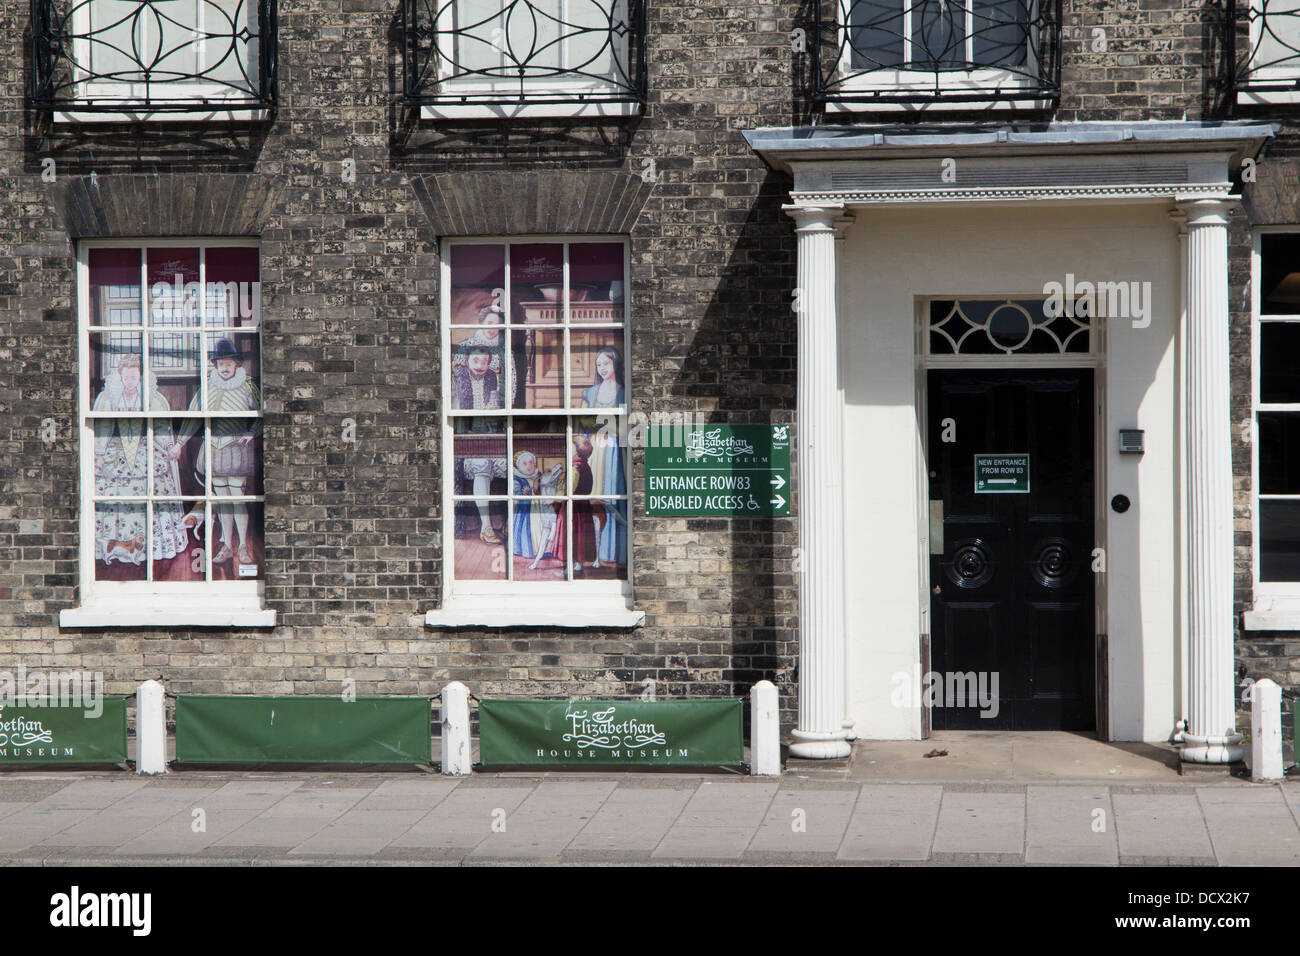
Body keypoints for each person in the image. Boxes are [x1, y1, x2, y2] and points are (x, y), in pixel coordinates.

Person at [92, 354, 189, 569]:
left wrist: (170, 447)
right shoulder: (109, 398)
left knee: (153, 487)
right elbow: (102, 428)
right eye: (126, 377)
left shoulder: (153, 399)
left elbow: (162, 428)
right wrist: (99, 453)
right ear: (120, 377)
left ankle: (153, 546)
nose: (130, 381)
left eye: (134, 377)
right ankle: (116, 547)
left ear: (141, 377)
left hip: (146, 450)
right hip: (116, 452)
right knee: (115, 491)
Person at [171, 338, 261, 567]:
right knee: (222, 500)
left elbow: (262, 414)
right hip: (214, 448)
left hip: (237, 448)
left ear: (236, 364)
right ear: (215, 364)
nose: (224, 367)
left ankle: (243, 546)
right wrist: (180, 443)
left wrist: (251, 433)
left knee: (238, 499)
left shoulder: (248, 386)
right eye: (220, 362)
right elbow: (192, 417)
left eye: (228, 362)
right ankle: (227, 547)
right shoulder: (207, 388)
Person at [580, 346, 626, 569]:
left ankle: (612, 550)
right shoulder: (590, 392)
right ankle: (593, 551)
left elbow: (627, 426)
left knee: (610, 496)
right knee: (593, 498)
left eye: (606, 363)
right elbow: (582, 421)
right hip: (594, 451)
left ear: (615, 363)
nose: (602, 368)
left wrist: (608, 426)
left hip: (613, 451)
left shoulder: (624, 392)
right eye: (598, 365)